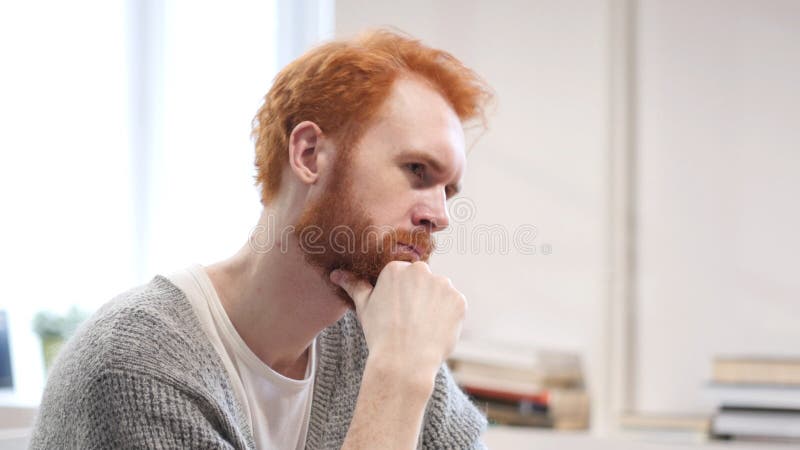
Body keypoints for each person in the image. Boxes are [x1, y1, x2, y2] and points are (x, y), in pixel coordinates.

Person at [31, 29, 493, 449]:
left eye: (448, 191)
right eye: (417, 171)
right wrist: (397, 378)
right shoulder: (135, 367)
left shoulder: (377, 336)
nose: (440, 216)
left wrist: (401, 365)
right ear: (309, 154)